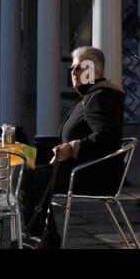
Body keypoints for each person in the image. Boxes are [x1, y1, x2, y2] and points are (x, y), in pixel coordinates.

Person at [17, 46, 125, 246]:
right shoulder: (89, 96)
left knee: (31, 180)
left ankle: (41, 239)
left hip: (94, 173)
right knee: (31, 174)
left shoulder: (100, 97)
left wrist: (73, 147)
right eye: (72, 68)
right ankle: (44, 237)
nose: (73, 72)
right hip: (83, 168)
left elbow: (107, 137)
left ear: (97, 72)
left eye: (80, 68)